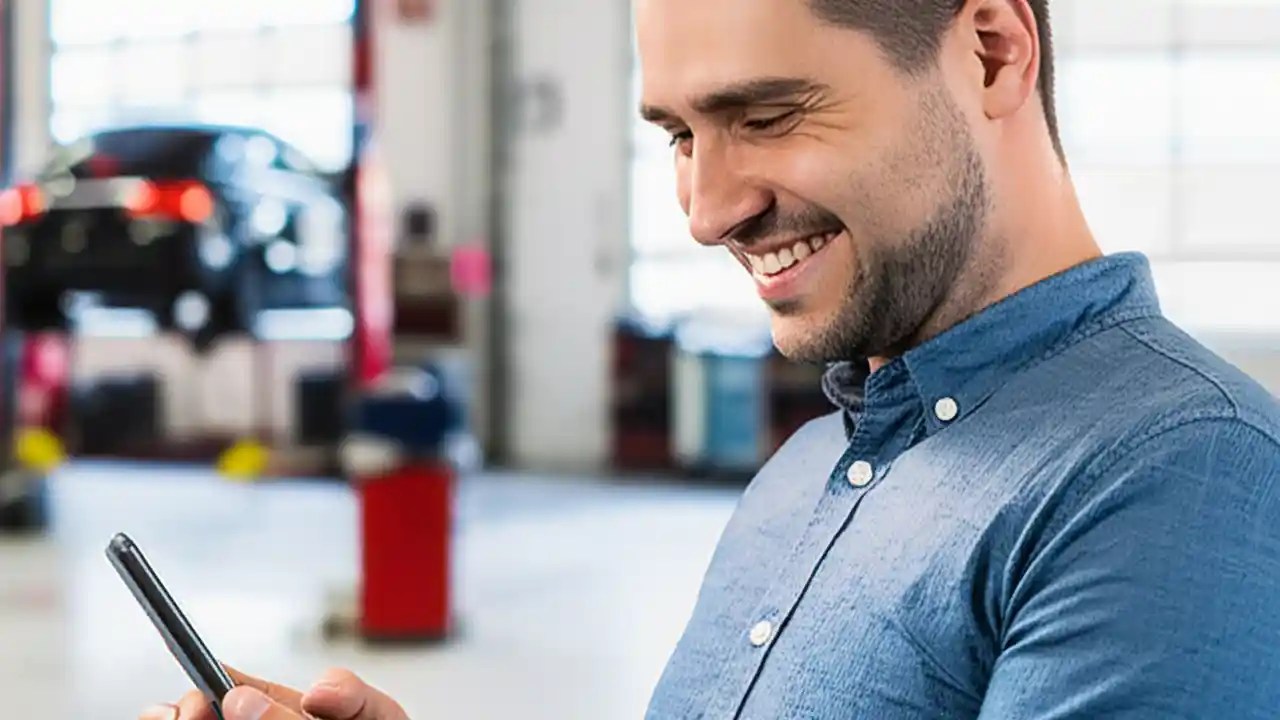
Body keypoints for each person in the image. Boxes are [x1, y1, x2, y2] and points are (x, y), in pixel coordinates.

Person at [145, 0, 1280, 718]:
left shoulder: (1177, 476)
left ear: (988, 53)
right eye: (681, 135)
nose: (705, 209)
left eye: (768, 114)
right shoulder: (807, 470)